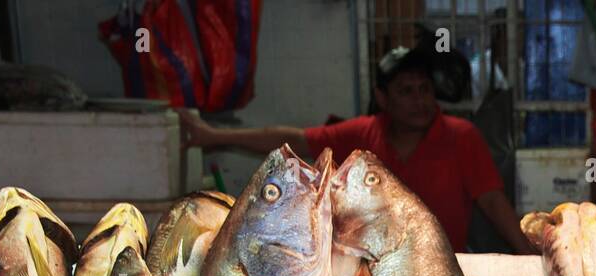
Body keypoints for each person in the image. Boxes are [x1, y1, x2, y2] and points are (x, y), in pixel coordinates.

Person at [180, 47, 533, 254]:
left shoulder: (462, 136)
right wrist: (212, 136)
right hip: (370, 270)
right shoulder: (364, 133)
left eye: (425, 89)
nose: (420, 100)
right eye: (406, 91)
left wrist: (530, 254)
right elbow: (293, 140)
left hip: (444, 264)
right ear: (383, 98)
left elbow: (494, 203)